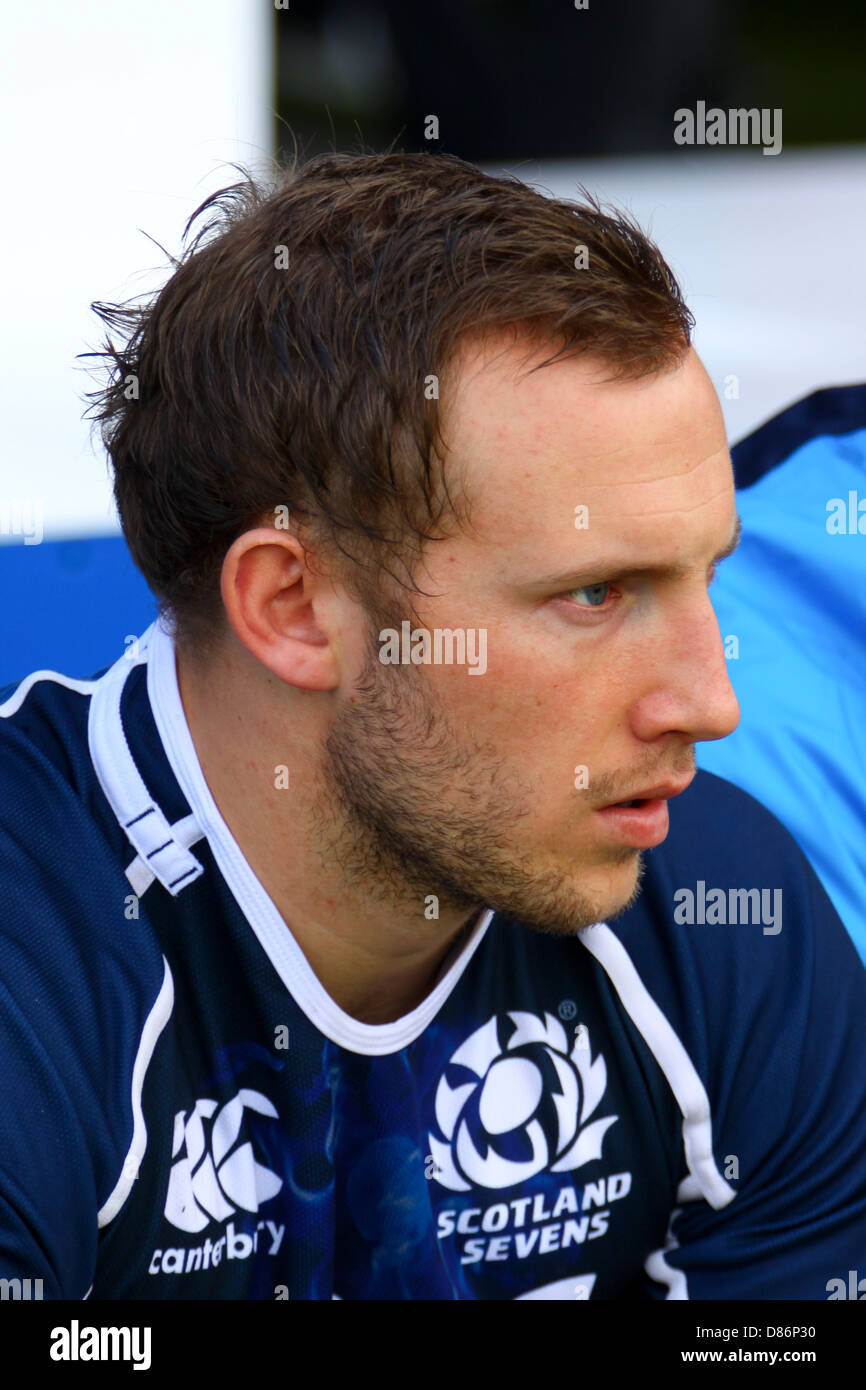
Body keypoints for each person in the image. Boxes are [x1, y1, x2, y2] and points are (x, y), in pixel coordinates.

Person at [1, 151, 864, 1300]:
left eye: (705, 575)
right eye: (594, 594)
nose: (709, 702)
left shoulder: (719, 914)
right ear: (296, 608)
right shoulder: (39, 970)